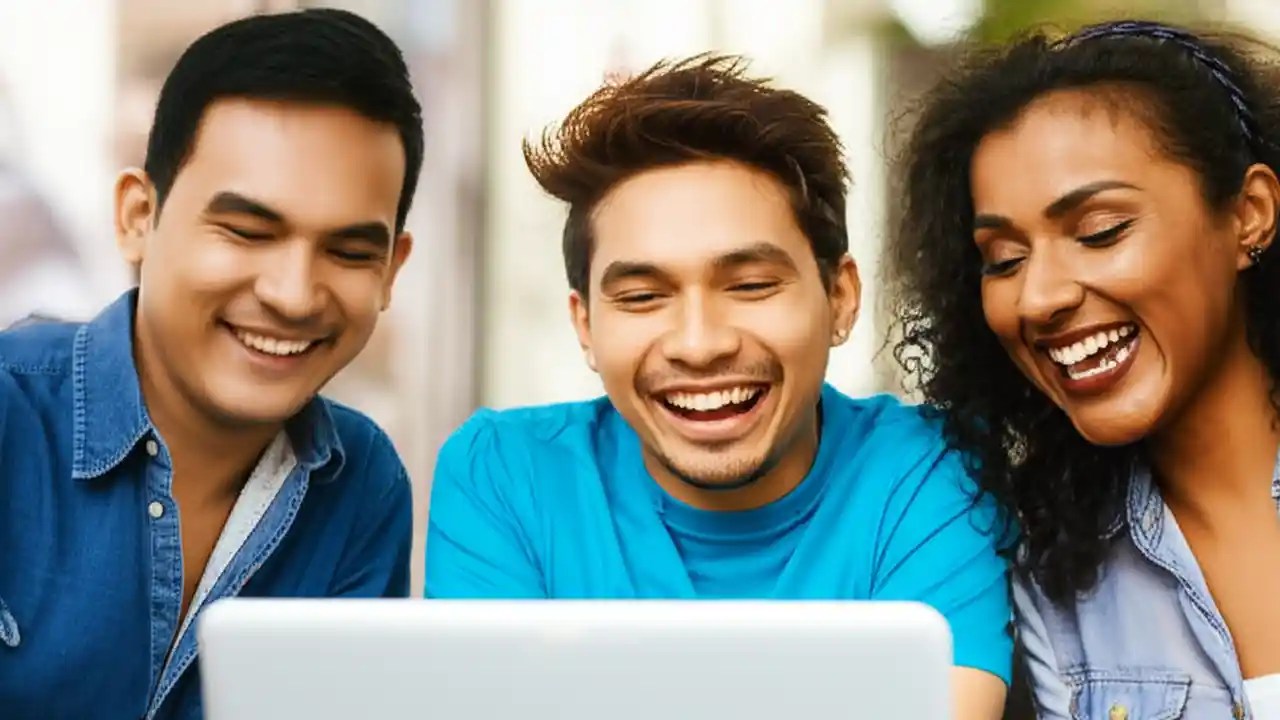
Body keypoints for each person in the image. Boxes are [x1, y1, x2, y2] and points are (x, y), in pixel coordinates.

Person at [425, 54, 1011, 718]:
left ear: (841, 296)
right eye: (643, 296)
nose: (700, 344)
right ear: (584, 325)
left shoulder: (931, 471)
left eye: (751, 285)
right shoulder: (506, 477)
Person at [0, 9, 421, 719]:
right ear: (138, 216)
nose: (292, 295)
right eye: (246, 231)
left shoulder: (364, 487)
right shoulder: (11, 415)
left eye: (349, 252)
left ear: (390, 270)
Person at [888, 18, 1280, 720]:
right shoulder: (1051, 582)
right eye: (1004, 260)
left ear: (1248, 215)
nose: (1038, 298)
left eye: (1100, 232)